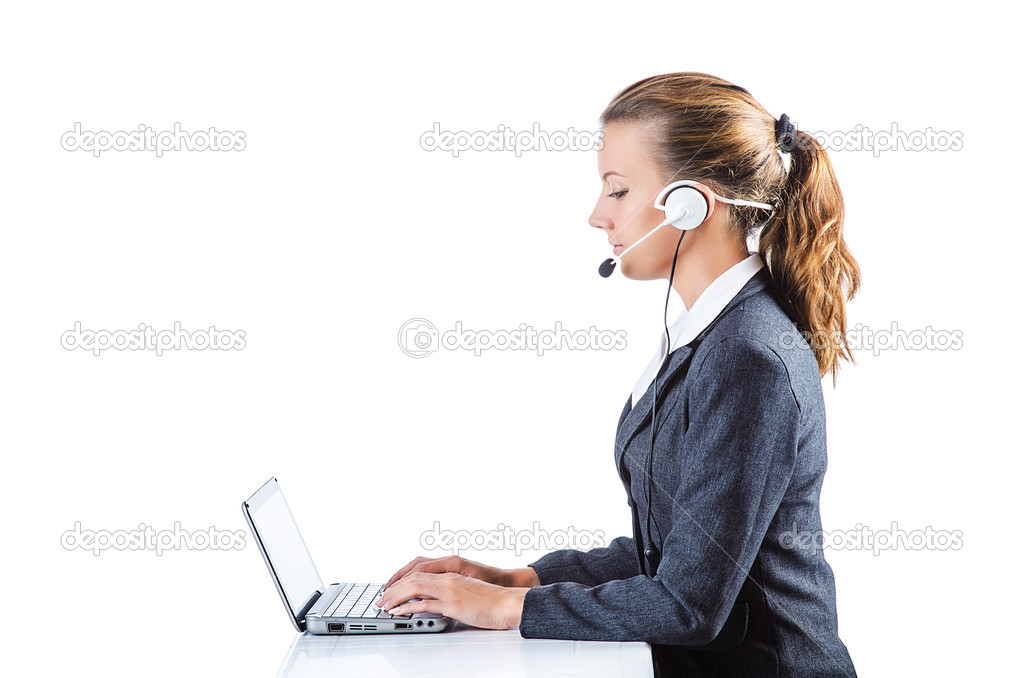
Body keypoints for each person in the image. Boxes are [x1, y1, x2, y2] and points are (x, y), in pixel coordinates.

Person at [375, 72, 860, 677]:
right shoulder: (711, 336)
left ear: (688, 205)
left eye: (617, 190)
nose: (597, 216)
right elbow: (681, 554)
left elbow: (688, 603)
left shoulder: (746, 356)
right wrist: (519, 577)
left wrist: (511, 607)